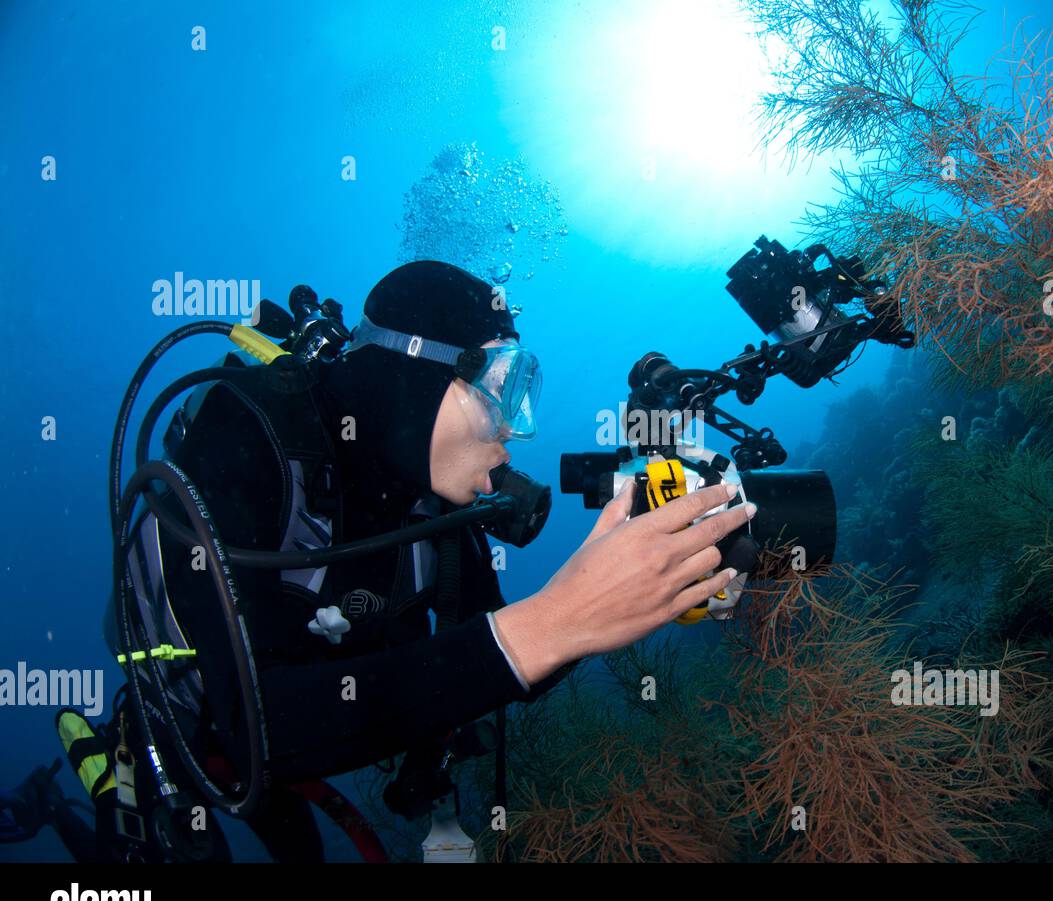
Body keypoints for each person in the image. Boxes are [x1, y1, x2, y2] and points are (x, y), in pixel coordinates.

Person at [87, 260, 755, 862]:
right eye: (502, 384)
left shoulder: (430, 509)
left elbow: (513, 652)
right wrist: (555, 621)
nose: (517, 426)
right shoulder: (247, 433)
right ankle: (83, 770)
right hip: (189, 719)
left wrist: (625, 587)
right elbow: (254, 727)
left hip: (308, 738)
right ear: (415, 369)